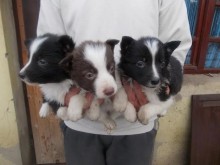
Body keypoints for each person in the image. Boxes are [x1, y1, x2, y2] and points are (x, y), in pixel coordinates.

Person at [37, 0, 192, 165]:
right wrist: (66, 96)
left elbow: (174, 46)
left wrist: (163, 90)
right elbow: (48, 49)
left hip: (136, 125)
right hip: (81, 121)